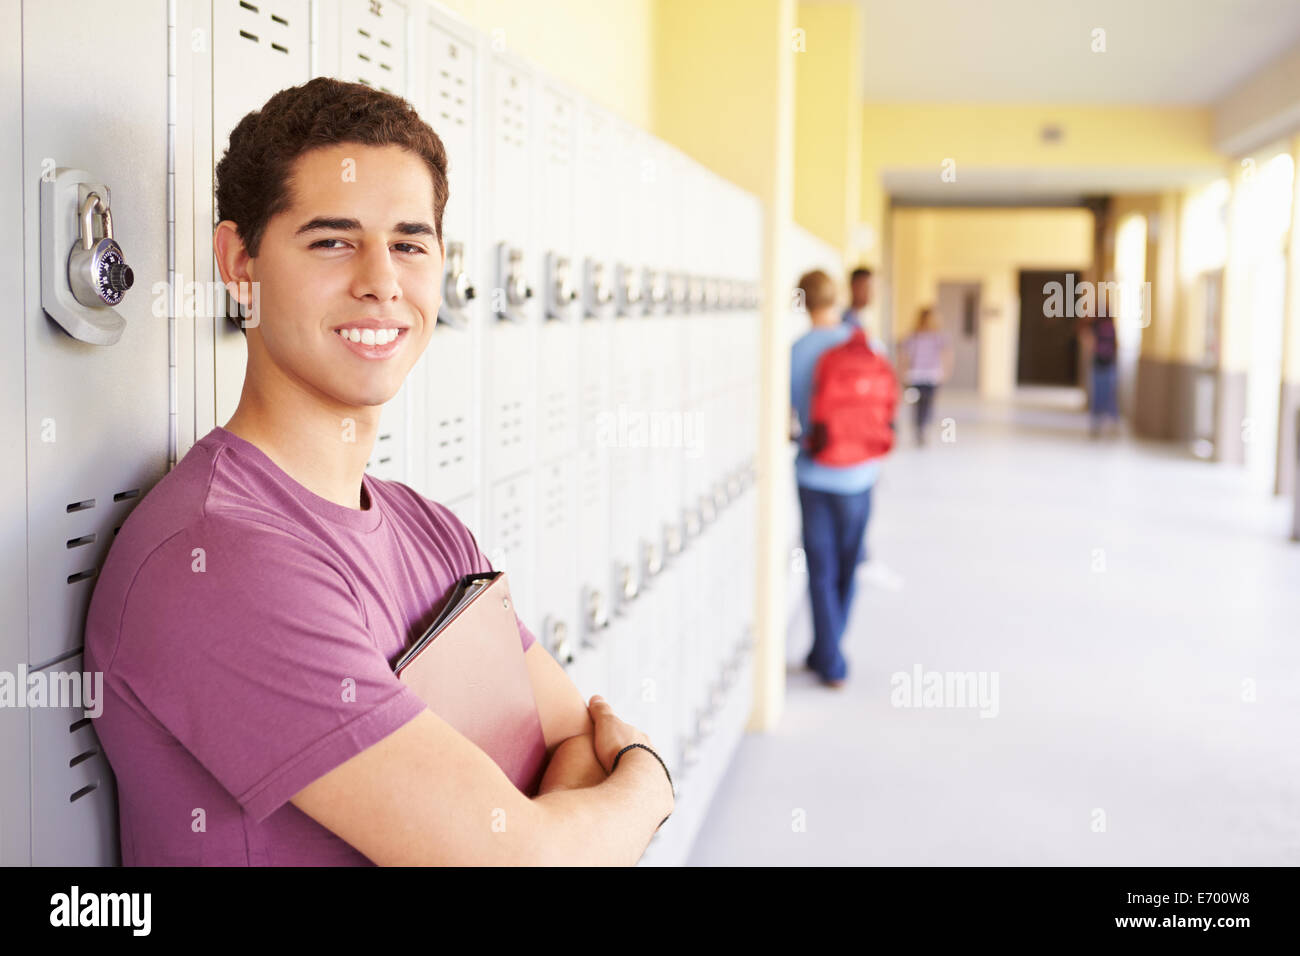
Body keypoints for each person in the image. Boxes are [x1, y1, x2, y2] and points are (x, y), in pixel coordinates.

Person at [82, 77, 672, 866]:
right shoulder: (215, 559)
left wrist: (548, 824)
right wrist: (649, 783)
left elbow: (572, 744)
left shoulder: (432, 531)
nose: (381, 281)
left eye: (409, 242)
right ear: (239, 263)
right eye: (332, 240)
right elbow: (524, 856)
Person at [791, 270, 892, 689]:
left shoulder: (797, 350)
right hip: (860, 476)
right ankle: (829, 653)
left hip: (814, 474)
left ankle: (828, 657)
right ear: (837, 298)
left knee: (820, 568)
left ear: (803, 301)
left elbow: (792, 416)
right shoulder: (868, 343)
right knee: (849, 566)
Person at [898, 306, 952, 446]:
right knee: (917, 404)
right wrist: (902, 373)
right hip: (916, 376)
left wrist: (945, 372)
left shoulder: (938, 337)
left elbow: (947, 355)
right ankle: (918, 428)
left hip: (932, 376)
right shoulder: (913, 336)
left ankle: (924, 427)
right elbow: (904, 356)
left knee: (928, 403)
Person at [1078, 302, 1119, 437]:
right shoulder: (1111, 325)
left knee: (1098, 396)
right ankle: (1112, 425)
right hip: (1109, 364)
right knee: (1109, 395)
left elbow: (1087, 340)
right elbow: (1116, 345)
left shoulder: (1094, 325)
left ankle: (1097, 425)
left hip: (1098, 363)